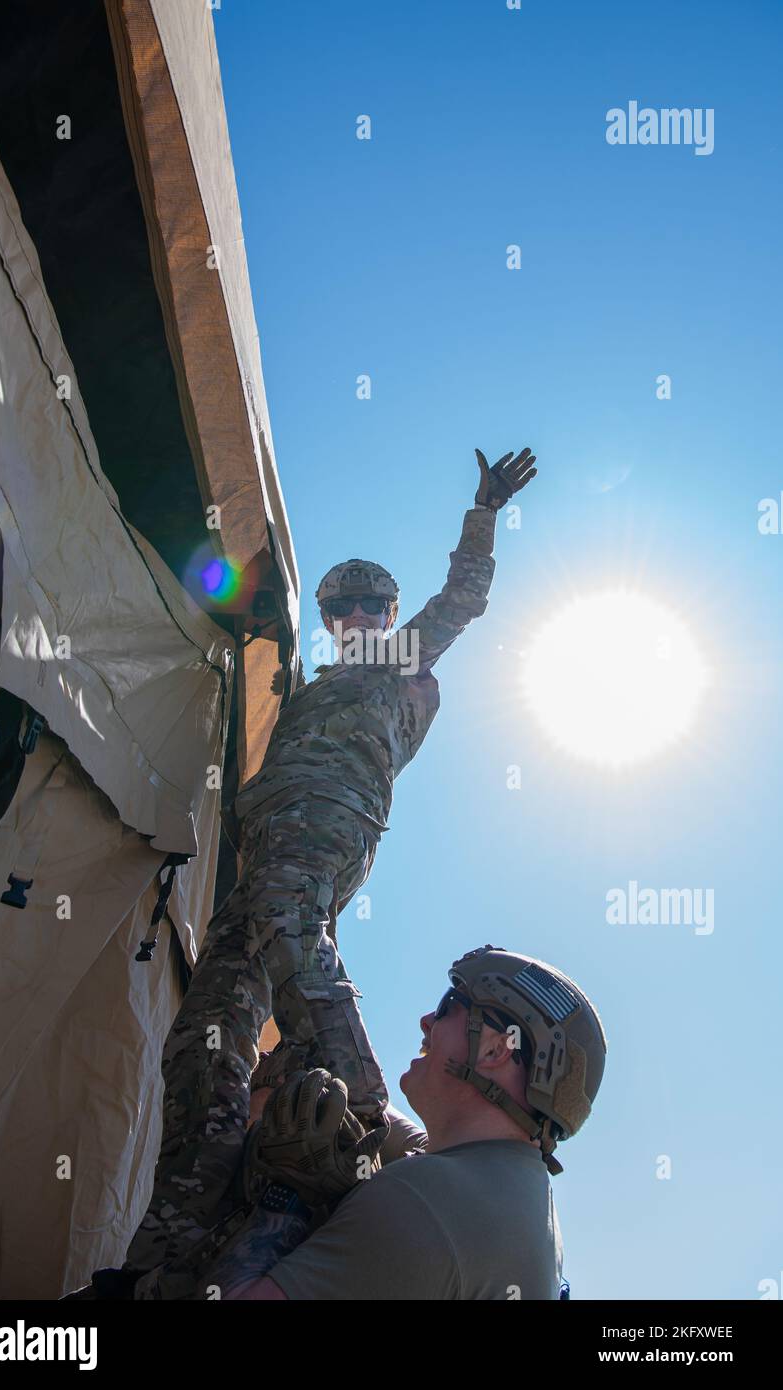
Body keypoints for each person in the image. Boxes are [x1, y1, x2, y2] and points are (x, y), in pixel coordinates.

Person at [118, 447, 538, 1296]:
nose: (350, 613)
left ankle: (370, 1108)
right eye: (337, 604)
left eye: (364, 603)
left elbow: (463, 600)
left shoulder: (401, 664)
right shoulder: (311, 682)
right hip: (271, 838)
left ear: (385, 610)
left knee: (289, 932)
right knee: (208, 1031)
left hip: (325, 826)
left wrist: (483, 512)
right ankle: (168, 1251)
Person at [196, 945, 607, 1301]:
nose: (426, 1021)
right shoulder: (515, 1191)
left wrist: (288, 1194)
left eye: (449, 1005)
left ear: (496, 1050)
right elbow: (395, 1131)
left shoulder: (426, 1202)